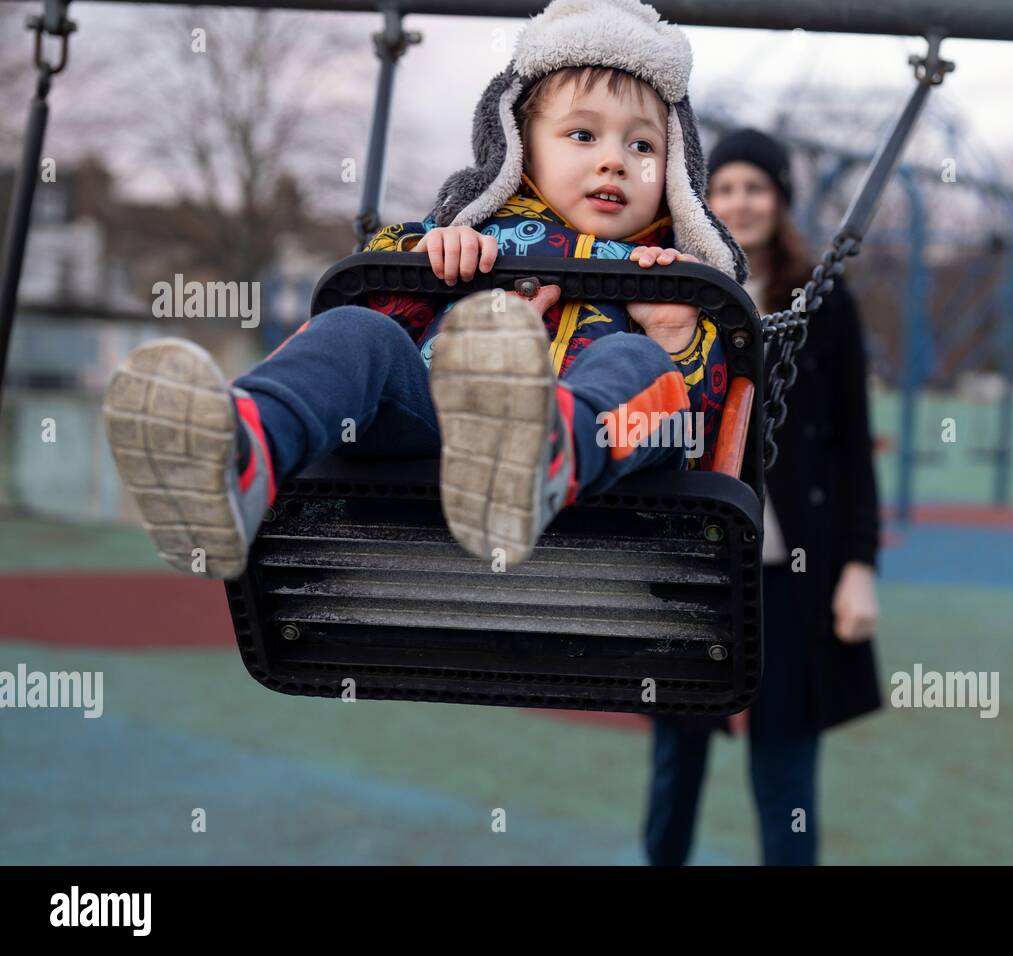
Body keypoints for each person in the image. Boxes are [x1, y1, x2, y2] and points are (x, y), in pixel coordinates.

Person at [99, 0, 747, 578]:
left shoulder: (669, 279)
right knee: (361, 333)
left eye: (642, 146)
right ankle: (238, 457)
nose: (614, 160)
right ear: (522, 148)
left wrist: (675, 336)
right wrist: (424, 262)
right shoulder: (467, 239)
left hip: (595, 482)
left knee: (634, 363)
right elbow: (358, 304)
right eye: (582, 134)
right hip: (436, 444)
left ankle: (544, 455)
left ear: (675, 173)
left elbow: (697, 436)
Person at [643, 127, 884, 866]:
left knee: (784, 758)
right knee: (676, 760)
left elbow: (850, 445)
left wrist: (858, 566)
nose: (739, 203)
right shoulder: (680, 290)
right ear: (703, 201)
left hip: (791, 564)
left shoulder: (823, 302)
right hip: (693, 561)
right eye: (723, 189)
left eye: (755, 188)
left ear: (780, 200)